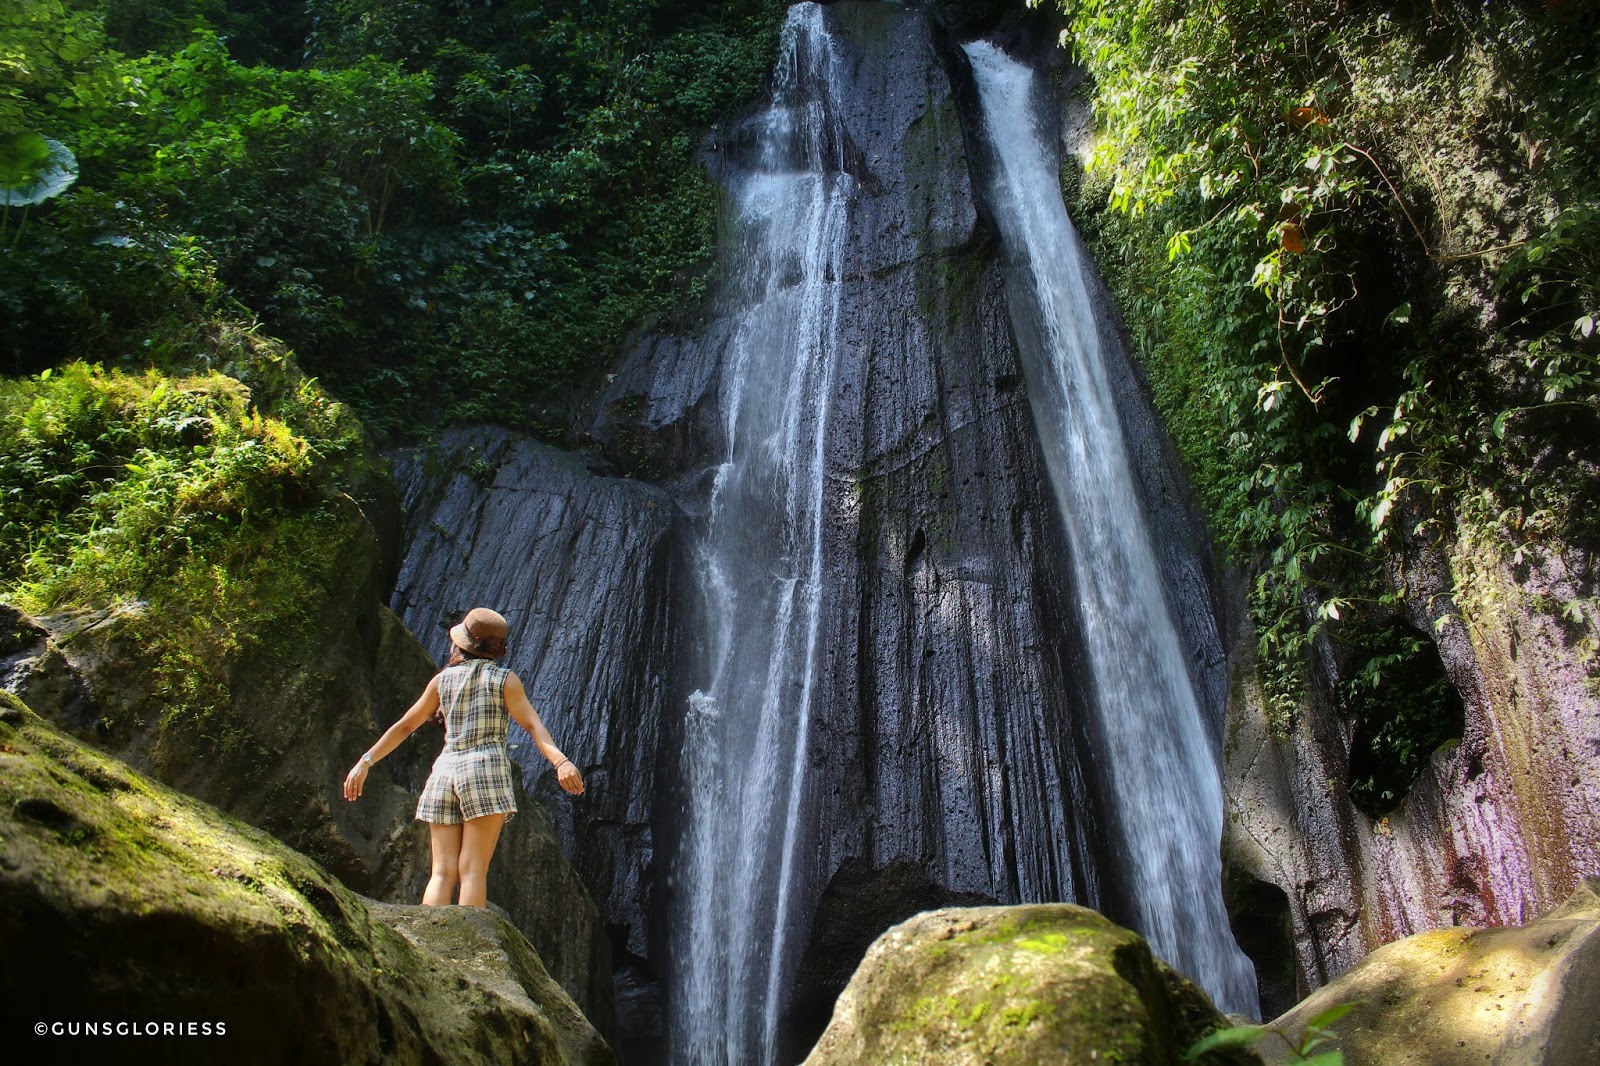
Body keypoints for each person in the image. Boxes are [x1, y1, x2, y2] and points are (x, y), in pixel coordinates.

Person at [343, 607, 584, 907]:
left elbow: (405, 726)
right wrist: (561, 762)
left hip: (444, 773)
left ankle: (425, 947)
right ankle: (468, 951)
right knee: (472, 870)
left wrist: (365, 761)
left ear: (463, 643)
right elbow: (534, 726)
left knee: (441, 873)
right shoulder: (505, 681)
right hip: (484, 772)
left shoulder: (442, 681)